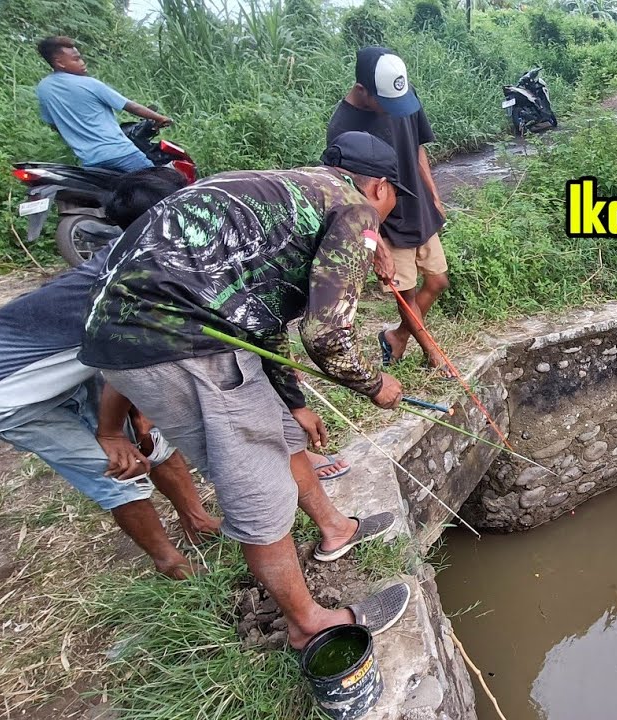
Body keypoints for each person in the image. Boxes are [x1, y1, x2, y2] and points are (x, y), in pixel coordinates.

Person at [80, 131, 414, 649]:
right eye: (391, 201)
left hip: (155, 329)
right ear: (379, 187)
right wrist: (374, 384)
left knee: (283, 429)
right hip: (177, 343)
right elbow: (325, 332)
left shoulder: (294, 191)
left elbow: (261, 321)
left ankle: (334, 529)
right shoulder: (355, 211)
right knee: (256, 483)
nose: (388, 214)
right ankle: (310, 625)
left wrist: (295, 402)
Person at [0, 238, 220, 580]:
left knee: (150, 439)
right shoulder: (141, 281)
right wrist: (109, 432)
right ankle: (169, 561)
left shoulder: (147, 250)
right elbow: (126, 359)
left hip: (71, 366)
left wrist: (139, 412)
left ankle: (197, 521)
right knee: (114, 466)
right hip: (4, 395)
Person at [107, 168, 354, 481]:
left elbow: (261, 318)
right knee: (246, 450)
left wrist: (289, 391)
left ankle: (296, 457)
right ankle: (285, 466)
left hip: (188, 344)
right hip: (170, 356)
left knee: (267, 397)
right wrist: (112, 431)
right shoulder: (147, 274)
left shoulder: (211, 244)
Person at [327, 46, 455, 377]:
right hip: (388, 220)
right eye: (384, 103)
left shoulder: (399, 93)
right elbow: (349, 194)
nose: (393, 110)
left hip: (419, 206)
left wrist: (433, 193)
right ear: (361, 91)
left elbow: (417, 147)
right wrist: (375, 240)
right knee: (407, 292)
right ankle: (433, 354)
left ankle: (397, 336)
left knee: (439, 280)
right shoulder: (343, 128)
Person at [35, 36, 173, 173]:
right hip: (121, 153)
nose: (82, 62)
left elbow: (54, 125)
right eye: (76, 59)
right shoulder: (90, 84)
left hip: (90, 161)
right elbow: (131, 106)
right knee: (162, 183)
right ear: (60, 63)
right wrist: (160, 118)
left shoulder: (44, 88)